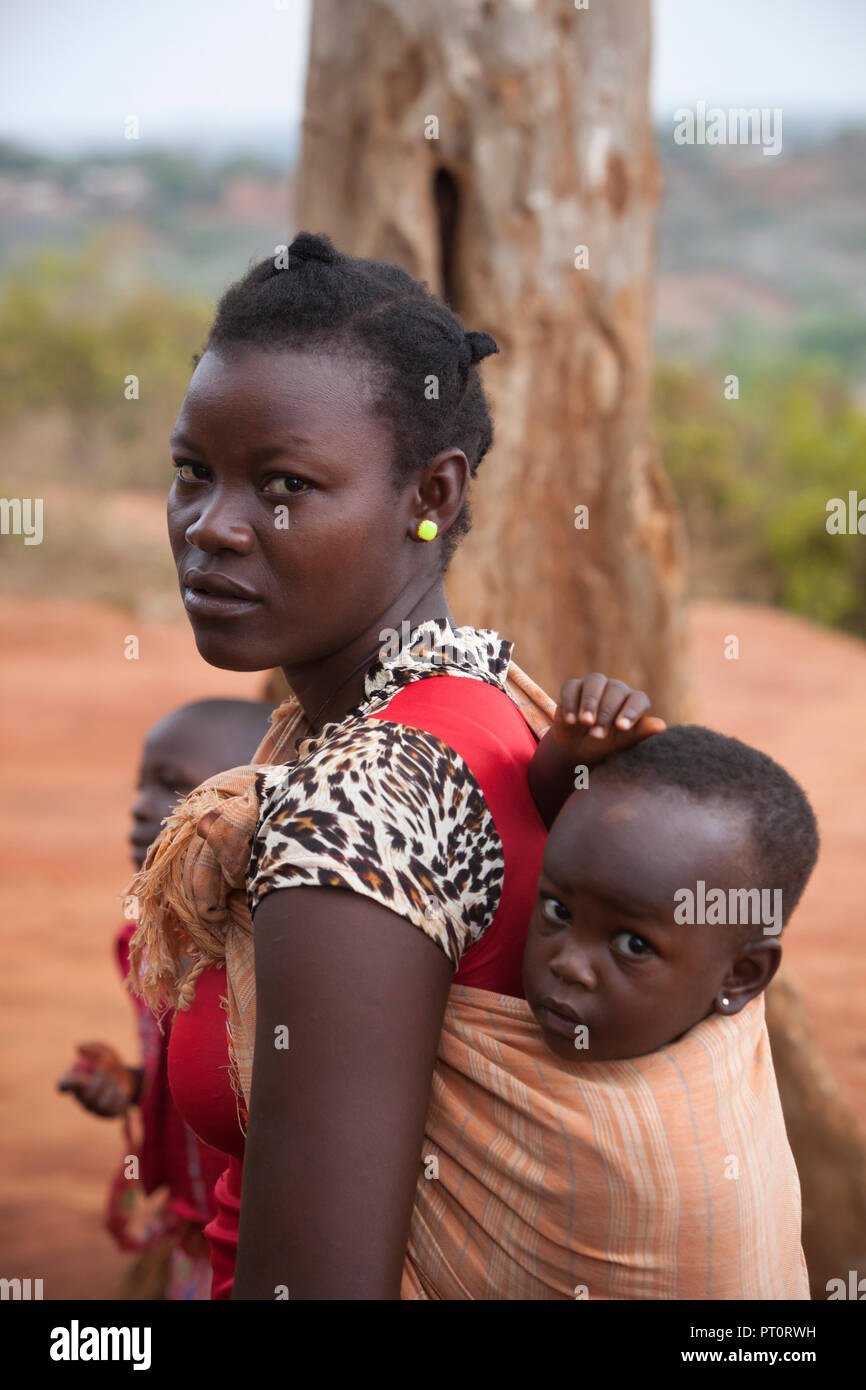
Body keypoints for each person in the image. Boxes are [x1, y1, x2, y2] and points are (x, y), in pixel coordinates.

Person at [126, 229, 663, 1300]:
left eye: (284, 483)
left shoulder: (364, 801)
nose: (211, 527)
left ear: (432, 494)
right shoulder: (483, 709)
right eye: (193, 472)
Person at [403, 702, 819, 1299]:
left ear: (743, 978)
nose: (569, 964)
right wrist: (562, 761)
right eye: (557, 910)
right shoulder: (709, 963)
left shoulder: (654, 1176)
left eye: (632, 945)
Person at [58, 698, 272, 1298]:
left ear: (244, 810)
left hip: (258, 1244)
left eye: (170, 786)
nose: (139, 806)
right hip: (187, 1235)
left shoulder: (265, 960)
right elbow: (193, 1081)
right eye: (141, 784)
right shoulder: (143, 948)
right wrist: (132, 1085)